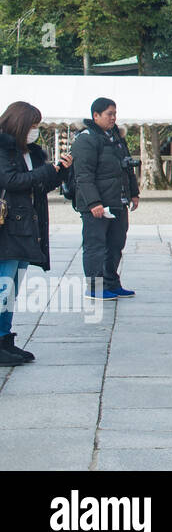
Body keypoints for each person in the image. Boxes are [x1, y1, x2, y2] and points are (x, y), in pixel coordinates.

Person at [0, 102, 73, 366]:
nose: (35, 130)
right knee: (3, 287)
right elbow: (11, 181)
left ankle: (5, 339)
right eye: (32, 125)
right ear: (19, 124)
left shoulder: (31, 152)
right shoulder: (3, 149)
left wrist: (60, 171)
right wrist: (44, 171)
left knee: (13, 287)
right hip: (7, 227)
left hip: (26, 227)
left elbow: (39, 185)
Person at [72, 97, 140, 300]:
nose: (113, 118)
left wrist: (133, 193)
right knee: (95, 246)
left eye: (115, 113)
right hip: (96, 203)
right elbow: (83, 174)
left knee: (116, 243)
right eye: (109, 114)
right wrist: (94, 202)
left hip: (117, 200)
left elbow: (127, 167)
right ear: (96, 115)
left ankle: (111, 282)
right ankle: (94, 287)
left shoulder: (116, 137)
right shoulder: (86, 139)